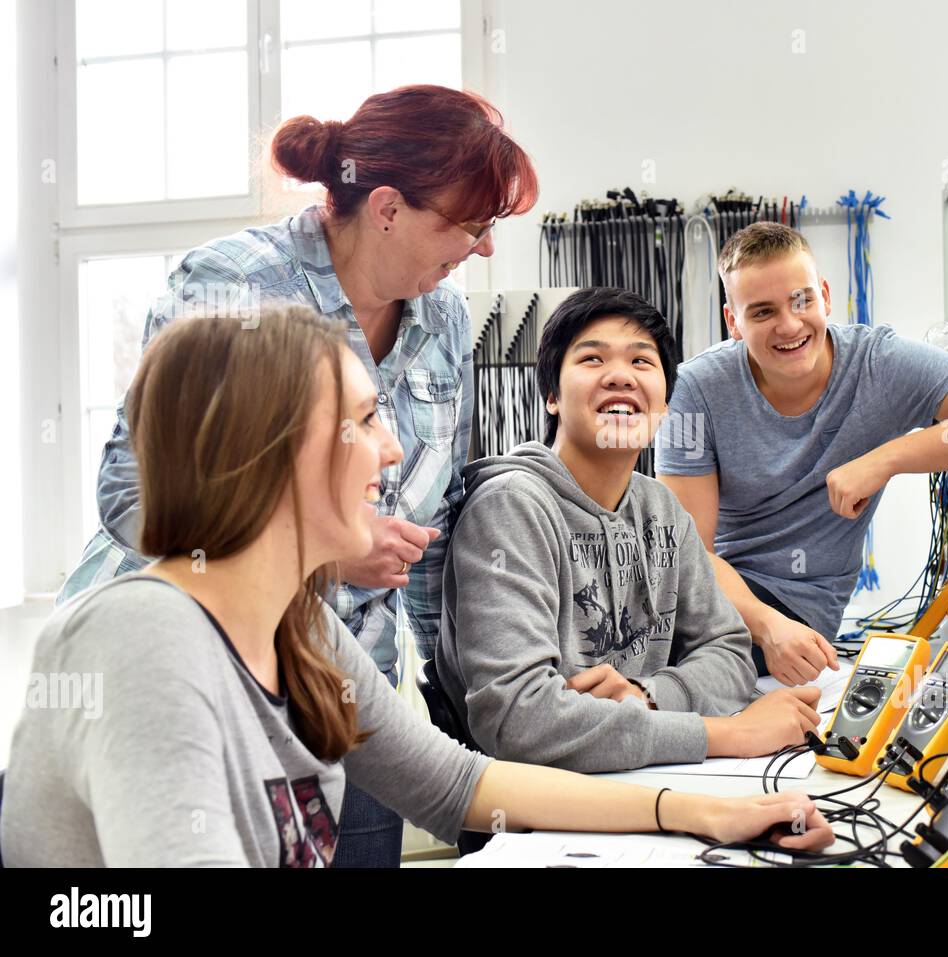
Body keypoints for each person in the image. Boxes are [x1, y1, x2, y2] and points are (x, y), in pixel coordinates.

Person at [0, 307, 833, 866]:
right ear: (268, 449)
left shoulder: (302, 630)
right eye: (364, 420)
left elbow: (461, 783)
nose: (394, 451)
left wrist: (699, 812)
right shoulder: (147, 639)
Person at [54, 85, 538, 868]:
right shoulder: (234, 285)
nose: (484, 248)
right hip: (200, 673)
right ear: (386, 208)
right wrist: (315, 548)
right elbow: (129, 491)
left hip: (348, 687)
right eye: (472, 224)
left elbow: (434, 530)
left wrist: (464, 706)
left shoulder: (445, 318)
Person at [655, 222, 948, 686]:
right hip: (720, 597)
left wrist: (886, 458)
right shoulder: (695, 389)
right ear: (734, 323)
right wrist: (766, 628)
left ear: (825, 296)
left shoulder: (878, 365)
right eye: (763, 311)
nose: (789, 325)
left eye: (801, 300)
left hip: (798, 612)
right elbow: (687, 551)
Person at [435, 288, 823, 772]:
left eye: (643, 362)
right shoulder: (512, 506)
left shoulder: (661, 508)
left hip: (644, 779)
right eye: (592, 358)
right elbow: (517, 720)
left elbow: (728, 651)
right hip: (538, 813)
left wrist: (649, 696)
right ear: (552, 396)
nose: (620, 376)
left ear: (664, 402)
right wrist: (727, 734)